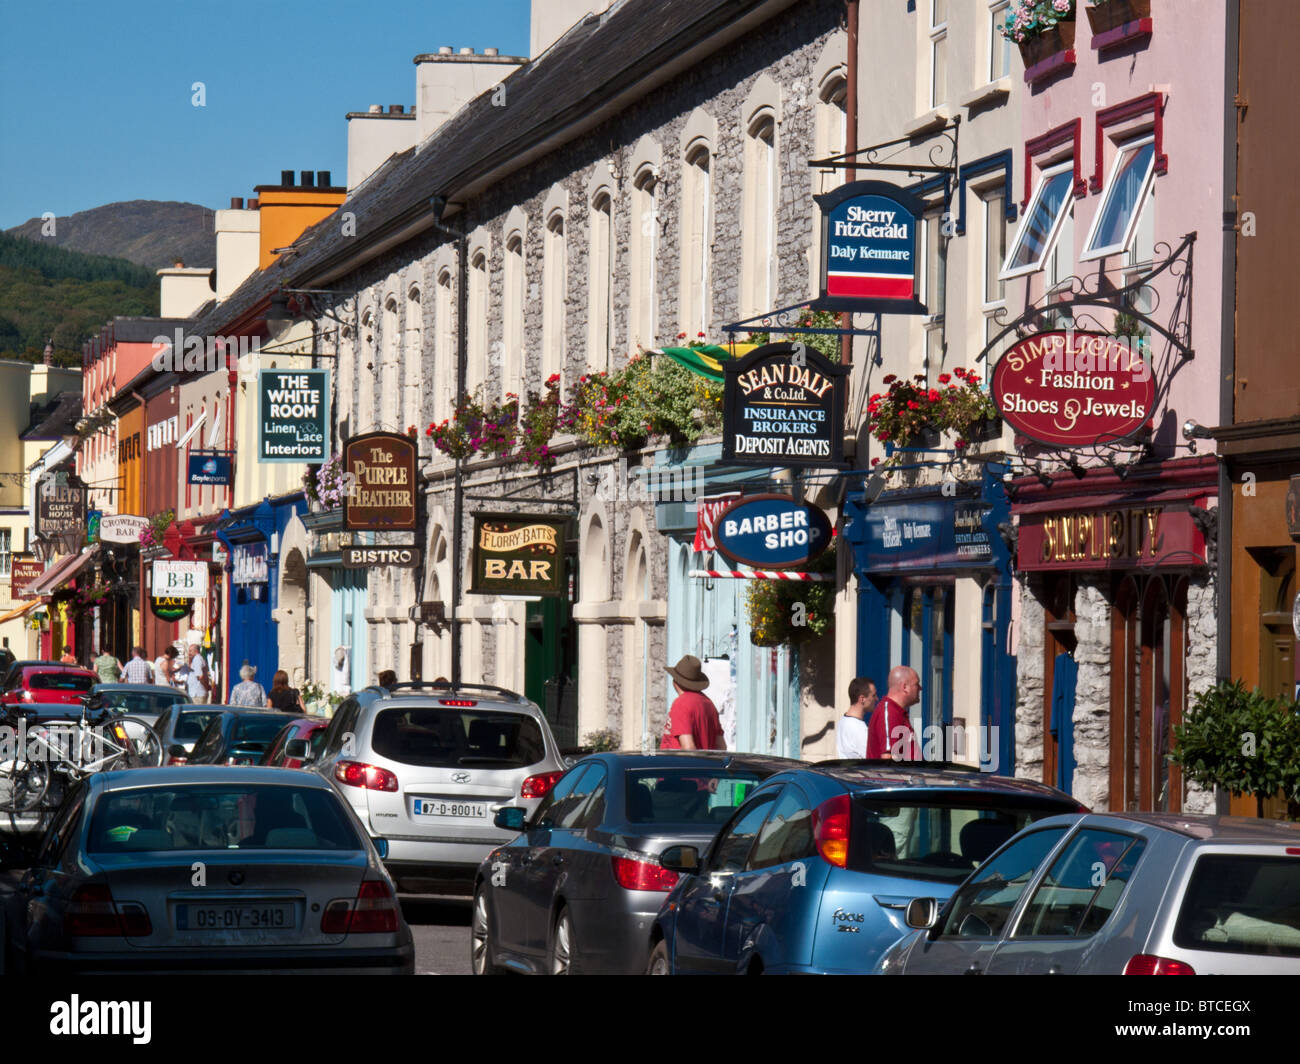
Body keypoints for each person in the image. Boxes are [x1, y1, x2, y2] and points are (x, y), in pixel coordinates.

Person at [661, 654, 724, 750]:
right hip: (705, 764)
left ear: (675, 681)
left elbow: (688, 748)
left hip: (677, 764)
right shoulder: (709, 704)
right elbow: (721, 747)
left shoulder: (681, 704)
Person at [865, 665, 922, 761]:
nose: (920, 688)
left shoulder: (898, 712)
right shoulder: (888, 712)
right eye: (916, 684)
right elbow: (888, 759)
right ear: (905, 687)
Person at [835, 677, 877, 759]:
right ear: (862, 699)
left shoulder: (842, 721)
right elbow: (873, 761)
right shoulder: (858, 729)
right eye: (873, 695)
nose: (876, 699)